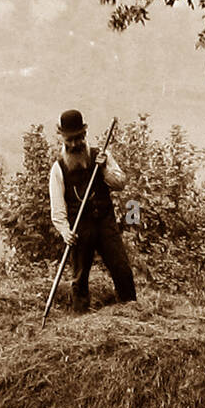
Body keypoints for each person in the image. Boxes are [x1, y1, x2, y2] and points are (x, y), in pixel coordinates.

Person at [48, 109, 135, 313]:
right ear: (63, 138)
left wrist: (105, 168)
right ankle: (79, 319)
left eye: (79, 138)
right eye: (70, 139)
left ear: (85, 134)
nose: (75, 144)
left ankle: (132, 311)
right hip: (79, 229)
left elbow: (121, 183)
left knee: (122, 268)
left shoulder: (101, 156)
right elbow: (57, 208)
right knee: (80, 278)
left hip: (105, 223)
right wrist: (65, 231)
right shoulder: (58, 168)